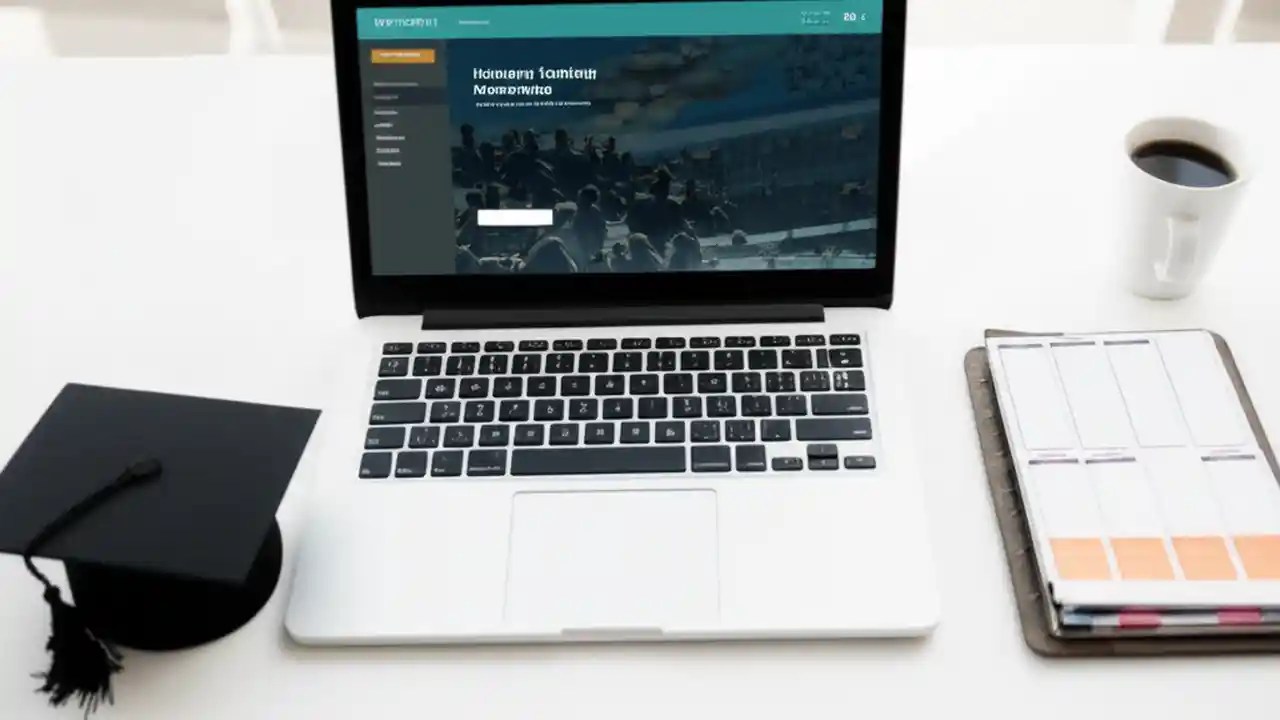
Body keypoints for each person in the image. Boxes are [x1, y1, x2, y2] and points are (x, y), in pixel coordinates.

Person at [627, 167, 684, 255]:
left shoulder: (643, 205)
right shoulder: (672, 205)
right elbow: (679, 224)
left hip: (653, 234)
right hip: (661, 235)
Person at [571, 185, 608, 261]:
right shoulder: (579, 212)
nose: (578, 200)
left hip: (588, 247)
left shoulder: (592, 213)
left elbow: (601, 231)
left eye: (581, 198)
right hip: (581, 246)